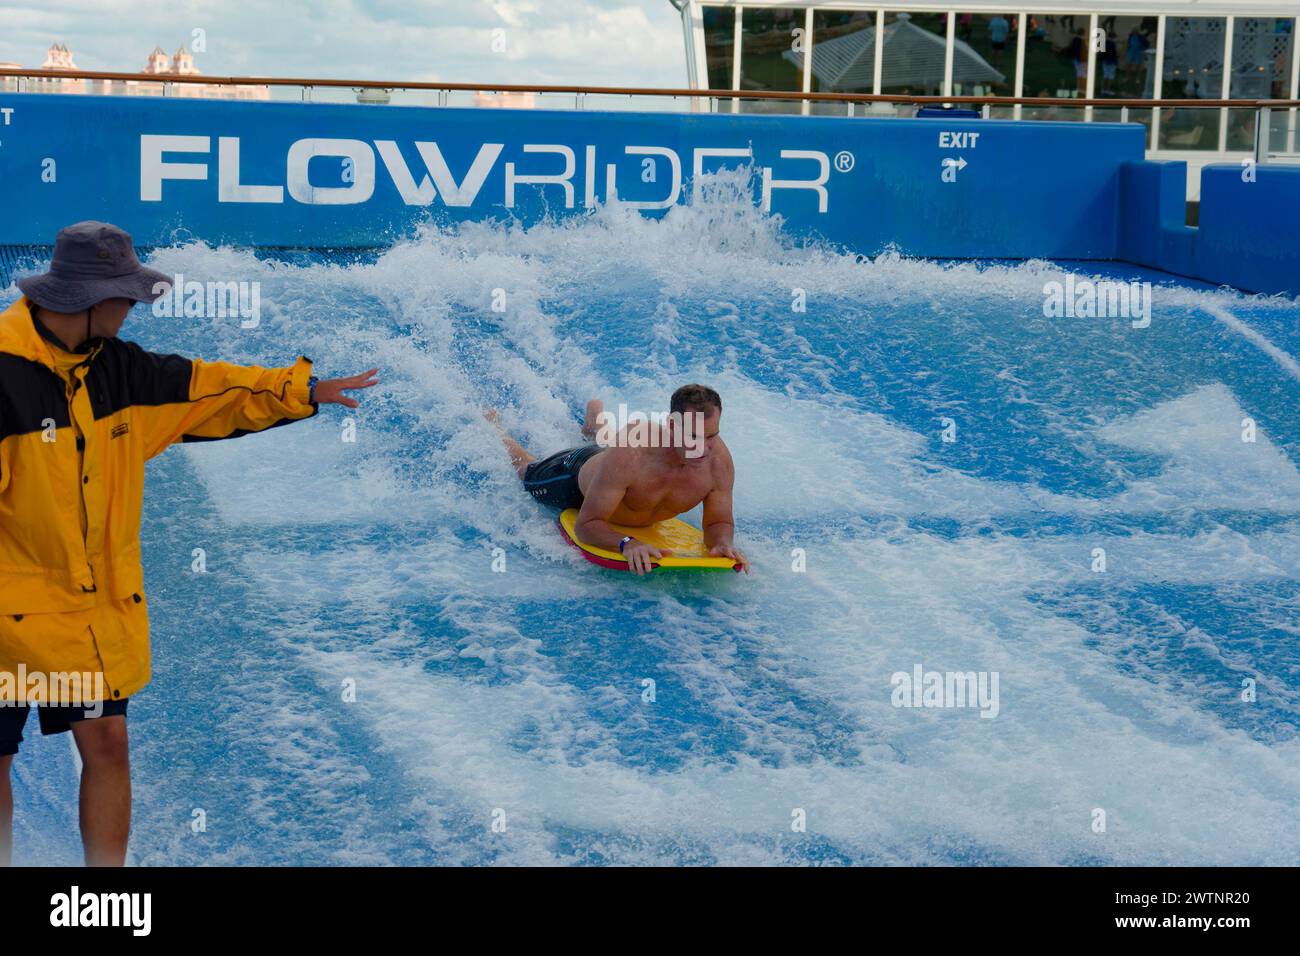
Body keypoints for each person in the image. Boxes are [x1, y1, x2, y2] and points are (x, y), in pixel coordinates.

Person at [0, 221, 379, 866]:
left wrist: (302, 391)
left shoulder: (120, 370)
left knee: (108, 743)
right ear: (84, 299)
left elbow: (214, 389)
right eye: (125, 295)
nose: (134, 307)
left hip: (86, 619)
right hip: (5, 618)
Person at [487, 384, 749, 576]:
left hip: (614, 464)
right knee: (527, 471)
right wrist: (626, 544)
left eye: (711, 436)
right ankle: (497, 430)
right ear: (671, 425)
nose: (703, 448)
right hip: (575, 477)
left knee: (610, 447)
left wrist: (722, 543)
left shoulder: (718, 462)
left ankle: (595, 424)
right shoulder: (632, 454)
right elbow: (586, 524)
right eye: (693, 436)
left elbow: (718, 521)